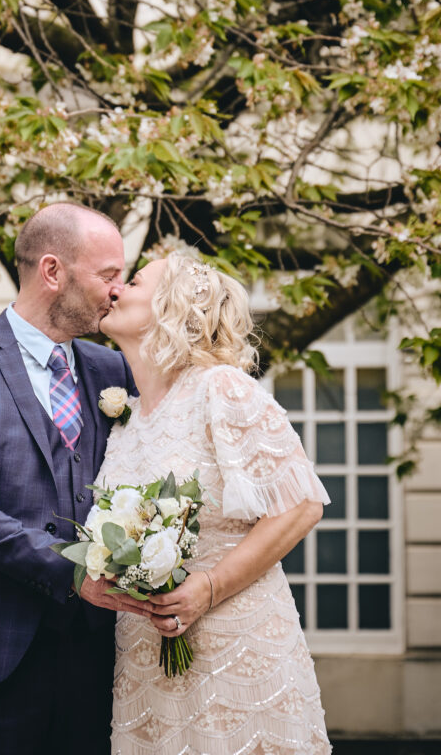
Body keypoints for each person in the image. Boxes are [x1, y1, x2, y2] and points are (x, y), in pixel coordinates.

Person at [0, 203, 174, 755]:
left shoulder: (113, 370)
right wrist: (72, 570)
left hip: (102, 656)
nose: (117, 290)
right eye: (108, 274)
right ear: (53, 271)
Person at [97, 250, 331, 754]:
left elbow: (302, 505)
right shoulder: (126, 419)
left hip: (235, 643)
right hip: (145, 660)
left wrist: (208, 587)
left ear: (171, 307)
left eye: (133, 282)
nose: (114, 289)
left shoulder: (221, 388)